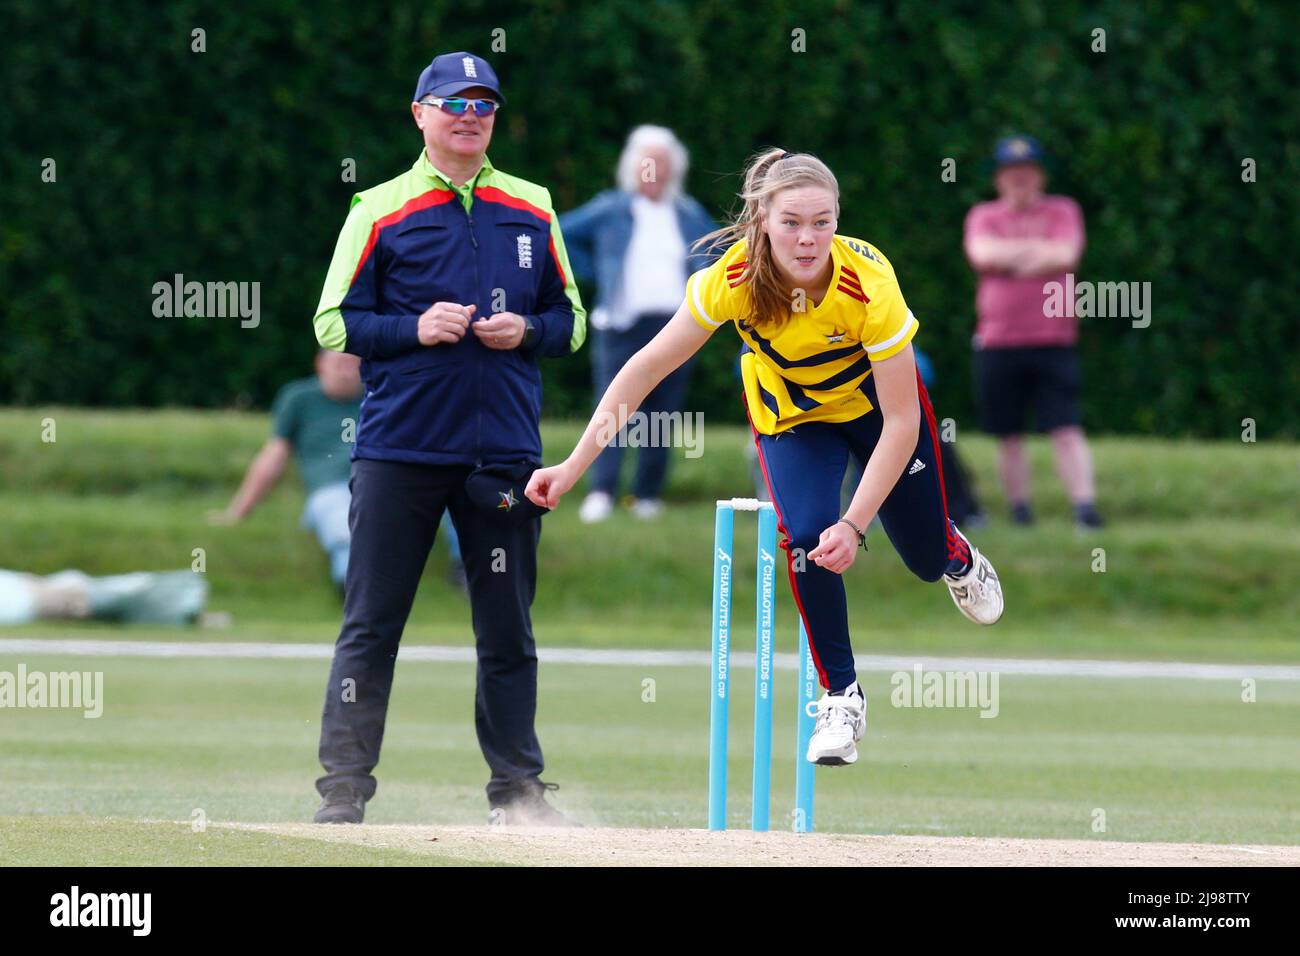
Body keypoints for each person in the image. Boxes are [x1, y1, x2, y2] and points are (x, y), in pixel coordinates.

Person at [528, 149, 1004, 769]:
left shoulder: (869, 282)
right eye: (791, 223)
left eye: (823, 222)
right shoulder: (729, 281)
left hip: (878, 415)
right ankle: (842, 697)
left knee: (921, 557)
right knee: (804, 536)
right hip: (793, 419)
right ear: (761, 218)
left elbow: (903, 421)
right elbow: (643, 369)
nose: (808, 239)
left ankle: (955, 555)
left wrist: (855, 525)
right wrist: (572, 467)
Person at [309, 51, 585, 826]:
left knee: (507, 630)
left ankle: (518, 796)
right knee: (371, 627)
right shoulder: (379, 207)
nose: (470, 116)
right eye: (454, 103)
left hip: (502, 451)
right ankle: (342, 798)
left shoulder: (532, 205)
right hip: (399, 450)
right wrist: (413, 328)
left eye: (484, 105)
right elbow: (334, 320)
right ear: (420, 113)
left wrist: (525, 328)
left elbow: (573, 322)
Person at [211, 350, 466, 597]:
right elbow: (273, 457)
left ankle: (463, 569)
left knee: (450, 489)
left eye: (351, 364)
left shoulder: (380, 394)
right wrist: (238, 511)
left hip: (385, 482)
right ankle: (353, 584)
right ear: (320, 365)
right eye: (339, 364)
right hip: (333, 488)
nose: (345, 372)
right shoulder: (299, 398)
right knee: (342, 519)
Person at [559, 126, 718, 523]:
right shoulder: (611, 207)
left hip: (675, 325)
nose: (655, 171)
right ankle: (601, 490)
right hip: (620, 324)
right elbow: (558, 234)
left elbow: (717, 256)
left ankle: (646, 494)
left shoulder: (688, 213)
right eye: (648, 162)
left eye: (663, 163)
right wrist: (595, 271)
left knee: (663, 414)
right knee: (612, 410)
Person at [963, 135, 1103, 530]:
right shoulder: (983, 215)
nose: (1019, 180)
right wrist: (1037, 255)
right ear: (999, 179)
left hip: (1053, 340)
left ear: (1040, 176)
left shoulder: (1063, 210)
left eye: (1027, 173)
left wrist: (1009, 258)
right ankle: (1020, 511)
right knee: (1008, 433)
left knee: (1066, 426)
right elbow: (982, 256)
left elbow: (1066, 255)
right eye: (1011, 173)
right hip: (997, 342)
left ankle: (1085, 509)